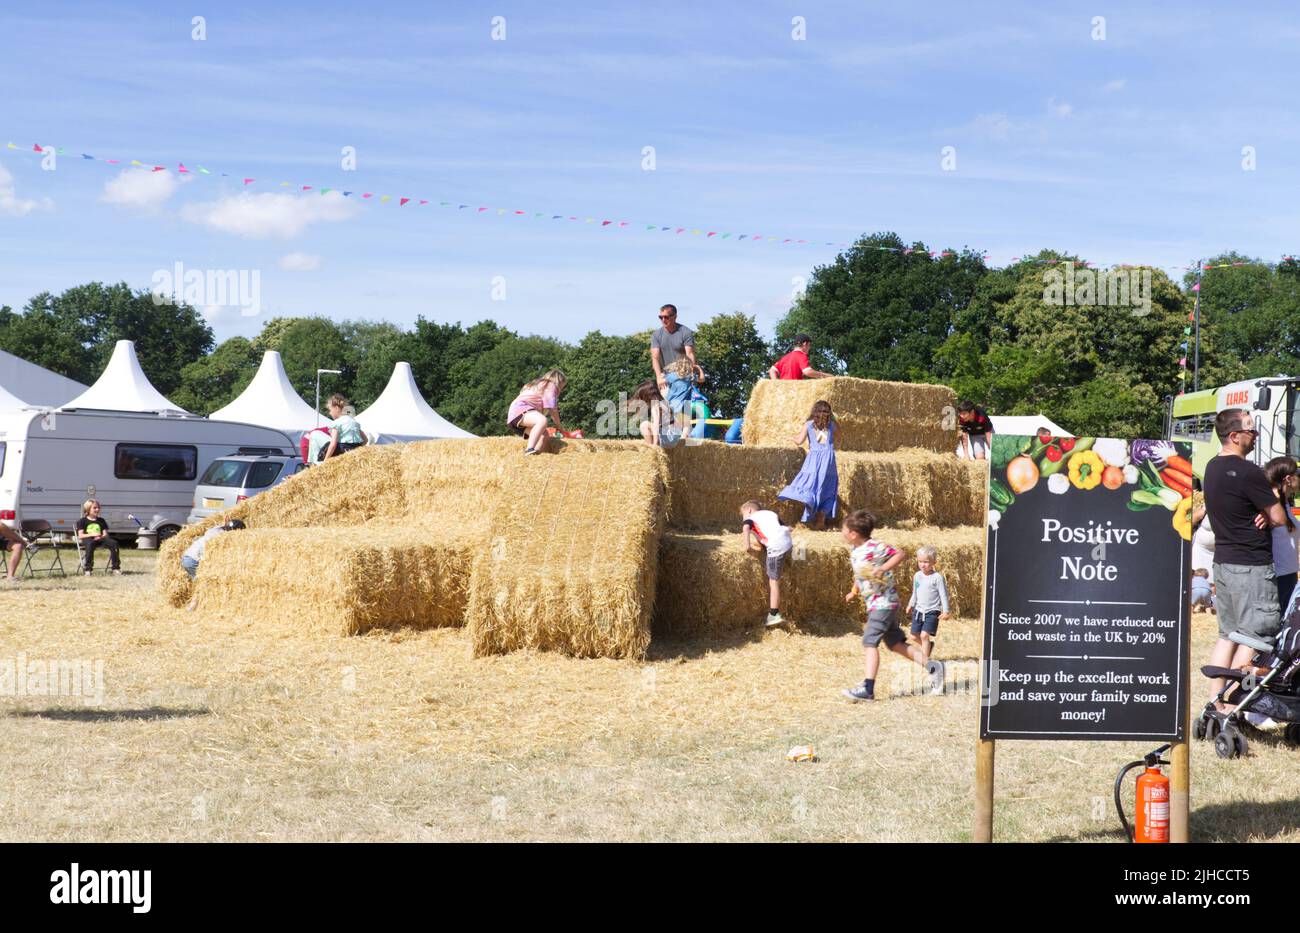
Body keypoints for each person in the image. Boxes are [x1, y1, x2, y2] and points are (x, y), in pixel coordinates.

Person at [1203, 408, 1288, 711]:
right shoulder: (1249, 471)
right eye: (1251, 430)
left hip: (1223, 563)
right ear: (1234, 435)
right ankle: (1238, 704)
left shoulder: (1211, 468)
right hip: (1251, 565)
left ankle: (1215, 702)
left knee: (1228, 635)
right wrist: (1267, 509)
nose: (1255, 435)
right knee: (1256, 637)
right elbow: (1278, 517)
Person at [841, 509, 943, 701]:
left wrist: (883, 568)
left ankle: (867, 688)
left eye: (843, 529)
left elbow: (900, 553)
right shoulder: (855, 551)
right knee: (896, 644)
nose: (841, 532)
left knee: (869, 642)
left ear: (853, 534)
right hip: (877, 604)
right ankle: (933, 667)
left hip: (883, 604)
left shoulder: (874, 546)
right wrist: (854, 591)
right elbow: (861, 574)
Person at [777, 400, 839, 529]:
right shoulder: (832, 425)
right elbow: (838, 439)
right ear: (829, 413)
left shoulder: (809, 425)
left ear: (814, 412)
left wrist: (791, 438)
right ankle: (821, 516)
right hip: (829, 459)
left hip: (814, 459)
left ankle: (809, 510)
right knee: (826, 487)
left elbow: (799, 441)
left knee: (809, 484)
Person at [739, 499, 793, 628]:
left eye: (743, 515)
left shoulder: (751, 518)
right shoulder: (770, 514)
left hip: (776, 547)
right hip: (788, 543)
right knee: (791, 557)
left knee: (774, 581)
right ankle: (794, 561)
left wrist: (747, 546)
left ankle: (774, 614)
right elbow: (787, 529)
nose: (743, 518)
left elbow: (746, 528)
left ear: (749, 510)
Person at [181, 519, 247, 610]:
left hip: (187, 556)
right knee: (202, 583)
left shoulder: (215, 530)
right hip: (194, 560)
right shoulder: (220, 537)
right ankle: (192, 607)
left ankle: (197, 606)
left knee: (200, 582)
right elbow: (209, 553)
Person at [1265, 456, 1300, 613]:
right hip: (1277, 576)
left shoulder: (1284, 503)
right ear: (1288, 479)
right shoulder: (1270, 503)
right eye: (1297, 474)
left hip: (1289, 573)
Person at [906, 545, 951, 664]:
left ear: (934, 562)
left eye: (926, 562)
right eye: (920, 561)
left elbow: (943, 595)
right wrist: (911, 604)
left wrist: (946, 611)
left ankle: (925, 661)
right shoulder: (917, 576)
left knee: (924, 635)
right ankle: (928, 646)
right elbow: (915, 592)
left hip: (932, 611)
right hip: (919, 611)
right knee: (914, 636)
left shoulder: (937, 578)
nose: (922, 564)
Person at [507, 369, 569, 455]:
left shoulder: (538, 385)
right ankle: (529, 449)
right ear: (559, 382)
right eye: (562, 386)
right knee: (542, 420)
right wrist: (559, 426)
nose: (561, 390)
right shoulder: (550, 385)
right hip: (521, 409)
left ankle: (535, 456)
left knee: (544, 436)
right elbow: (553, 408)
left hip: (514, 416)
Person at [650, 304, 704, 392]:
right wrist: (659, 377)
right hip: (666, 377)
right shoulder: (656, 335)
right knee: (666, 404)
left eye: (666, 317)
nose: (663, 320)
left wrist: (691, 373)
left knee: (687, 405)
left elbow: (690, 354)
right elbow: (655, 358)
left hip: (684, 376)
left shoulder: (685, 332)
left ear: (675, 316)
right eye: (661, 317)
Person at [76, 499, 121, 575]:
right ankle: (88, 569)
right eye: (94, 508)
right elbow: (80, 535)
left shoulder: (101, 520)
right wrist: (92, 534)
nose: (97, 509)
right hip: (88, 540)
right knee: (90, 544)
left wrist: (100, 537)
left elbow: (105, 534)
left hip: (100, 540)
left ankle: (115, 568)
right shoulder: (82, 521)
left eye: (98, 508)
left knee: (114, 543)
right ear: (88, 509)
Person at [321, 395, 369, 460]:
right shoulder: (353, 421)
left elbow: (333, 444)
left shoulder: (336, 423)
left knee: (327, 446)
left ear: (336, 408)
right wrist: (358, 449)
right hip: (356, 450)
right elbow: (366, 440)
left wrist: (326, 460)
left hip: (343, 450)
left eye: (330, 410)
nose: (330, 413)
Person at [628, 379, 667, 446]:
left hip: (668, 437)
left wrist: (655, 444)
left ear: (647, 395)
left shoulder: (655, 406)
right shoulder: (663, 402)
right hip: (673, 434)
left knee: (644, 425)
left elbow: (656, 425)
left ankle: (650, 448)